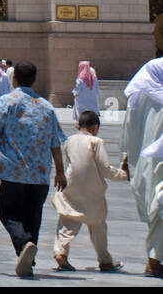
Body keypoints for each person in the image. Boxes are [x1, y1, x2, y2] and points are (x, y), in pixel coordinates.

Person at [0, 60, 67, 278]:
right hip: (40, 175)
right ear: (34, 79)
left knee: (7, 211)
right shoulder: (46, 106)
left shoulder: (6, 102)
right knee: (32, 217)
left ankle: (25, 245)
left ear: (14, 77)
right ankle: (28, 259)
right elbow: (56, 142)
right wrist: (60, 171)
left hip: (13, 172)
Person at [52, 111, 128, 273]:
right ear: (95, 127)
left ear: (78, 125)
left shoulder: (69, 140)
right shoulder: (96, 141)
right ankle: (105, 261)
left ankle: (60, 252)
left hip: (71, 185)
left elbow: (70, 163)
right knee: (98, 223)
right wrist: (123, 174)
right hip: (92, 189)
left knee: (67, 218)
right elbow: (104, 168)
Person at [121, 56, 163, 278]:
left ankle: (154, 259)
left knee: (155, 208)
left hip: (143, 163)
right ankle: (154, 260)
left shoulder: (137, 96)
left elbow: (126, 131)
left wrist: (125, 157)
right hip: (157, 163)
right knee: (158, 208)